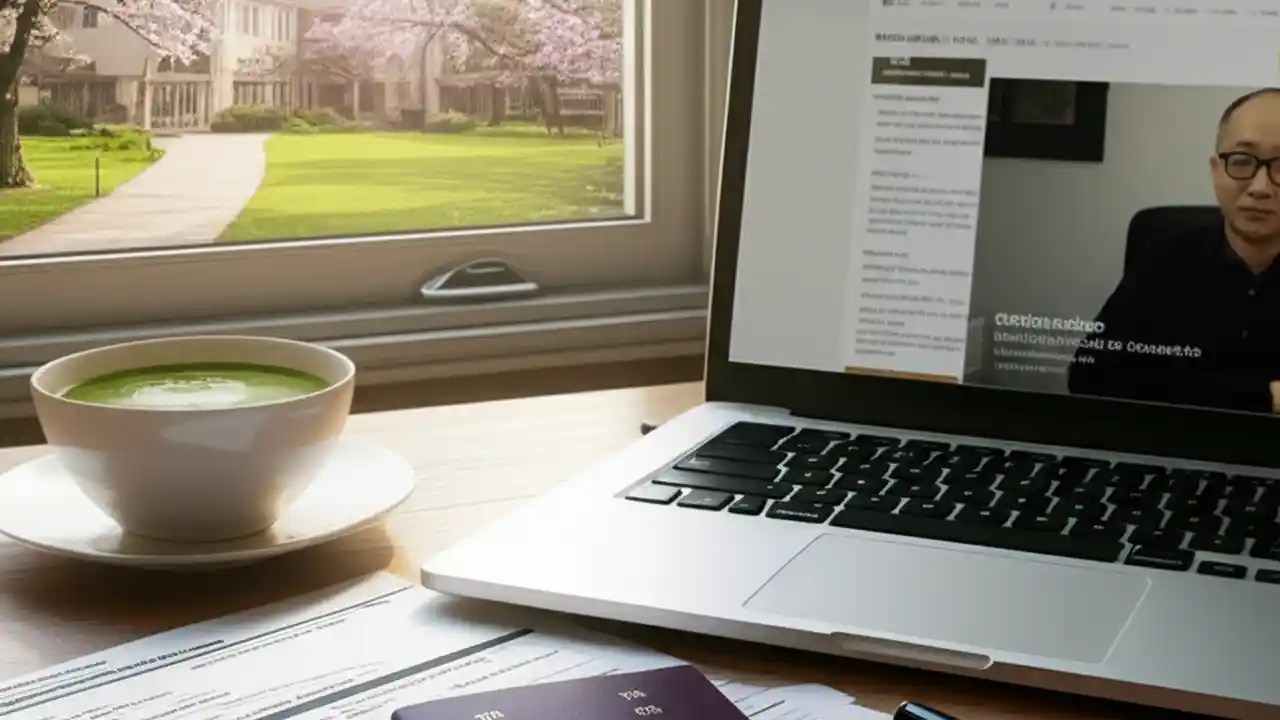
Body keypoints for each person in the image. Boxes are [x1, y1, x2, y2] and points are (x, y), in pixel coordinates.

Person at [1068, 87, 1280, 413]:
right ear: (1215, 170)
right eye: (1241, 161)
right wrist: (1264, 398)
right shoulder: (1165, 257)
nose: (1260, 187)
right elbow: (1089, 375)